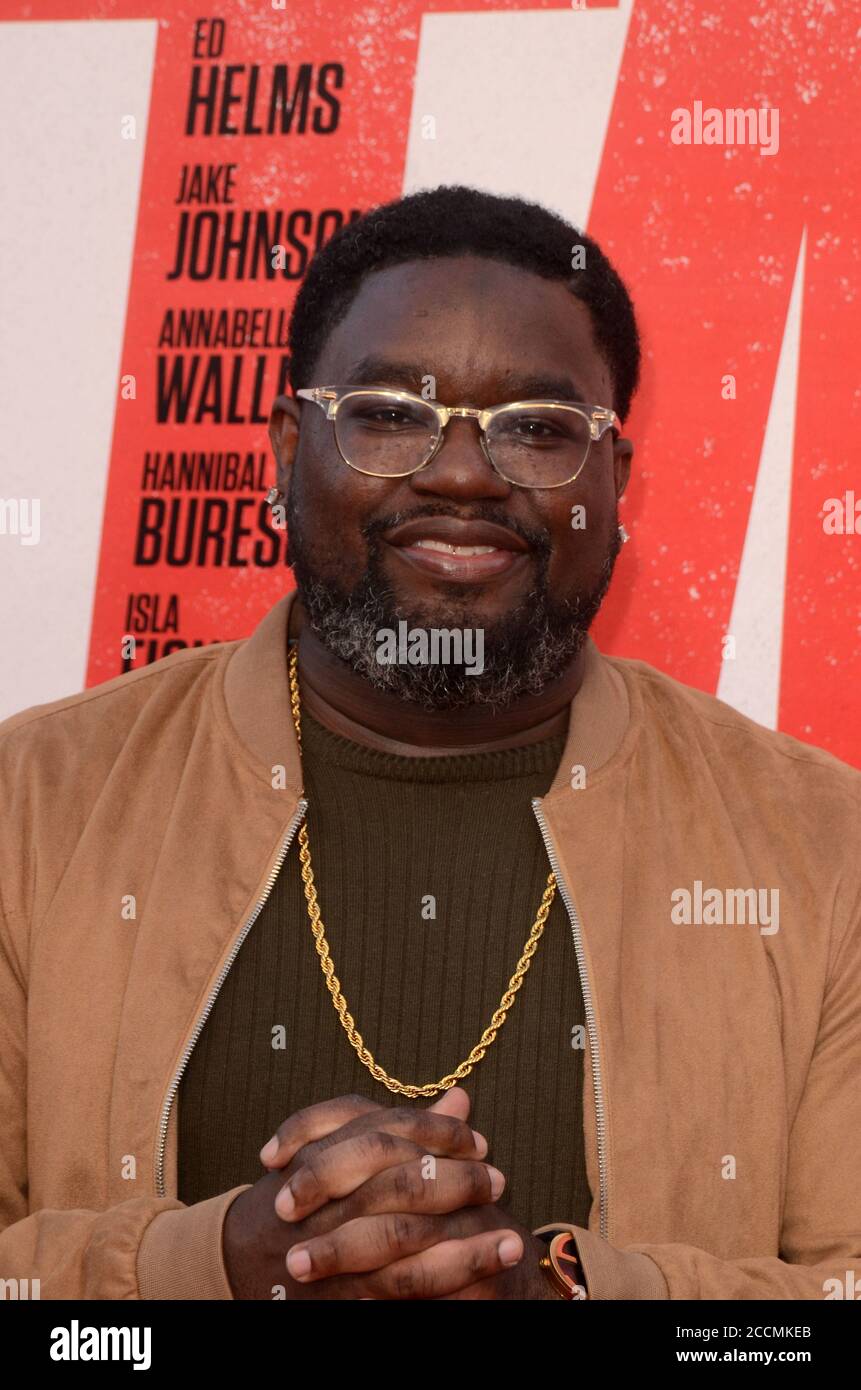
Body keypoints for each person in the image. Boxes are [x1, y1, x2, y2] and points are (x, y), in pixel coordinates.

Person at [1, 185, 859, 1301]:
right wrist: (202, 1271)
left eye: (540, 430)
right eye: (389, 412)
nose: (461, 473)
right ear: (282, 449)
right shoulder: (34, 805)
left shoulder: (821, 845)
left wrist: (573, 1296)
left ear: (616, 484)